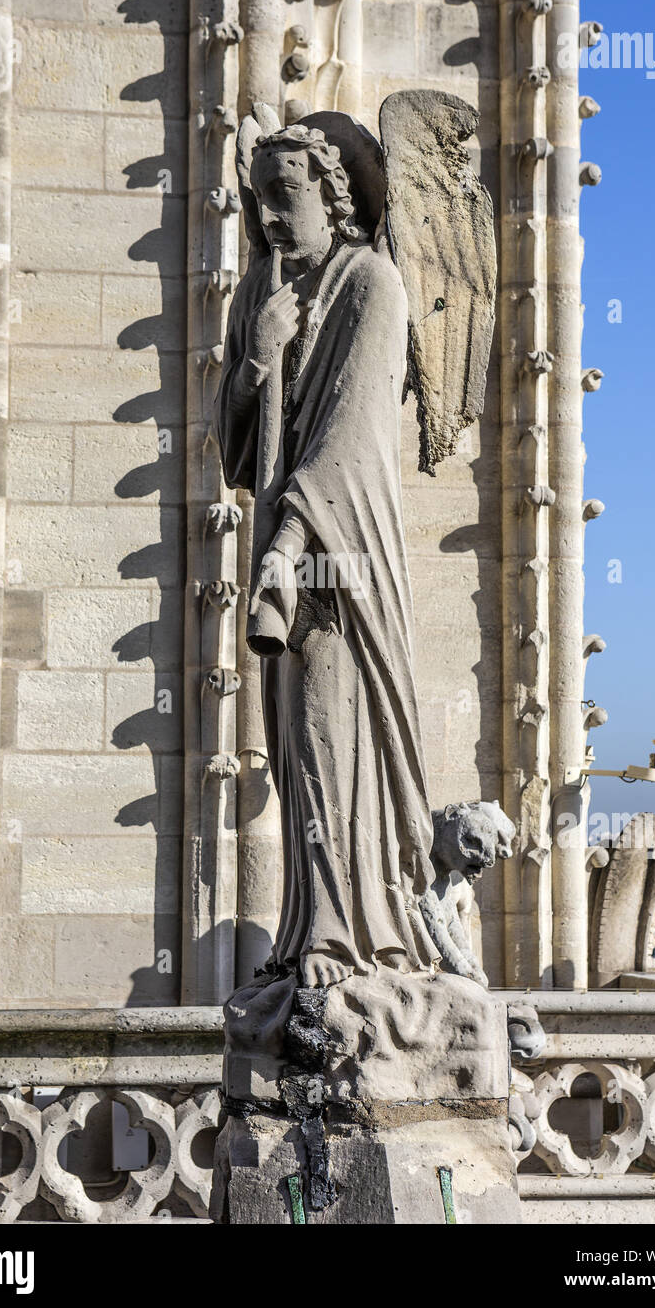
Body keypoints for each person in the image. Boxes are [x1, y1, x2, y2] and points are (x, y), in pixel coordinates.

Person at [215, 124, 440, 989]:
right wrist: (256, 358)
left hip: (340, 557)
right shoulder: (258, 296)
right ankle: (312, 925)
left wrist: (290, 545)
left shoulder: (373, 284)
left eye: (288, 196)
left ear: (336, 198)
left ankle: (357, 934)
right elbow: (235, 457)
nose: (271, 216)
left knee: (335, 727)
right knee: (297, 747)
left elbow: (354, 439)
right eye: (261, 199)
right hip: (287, 552)